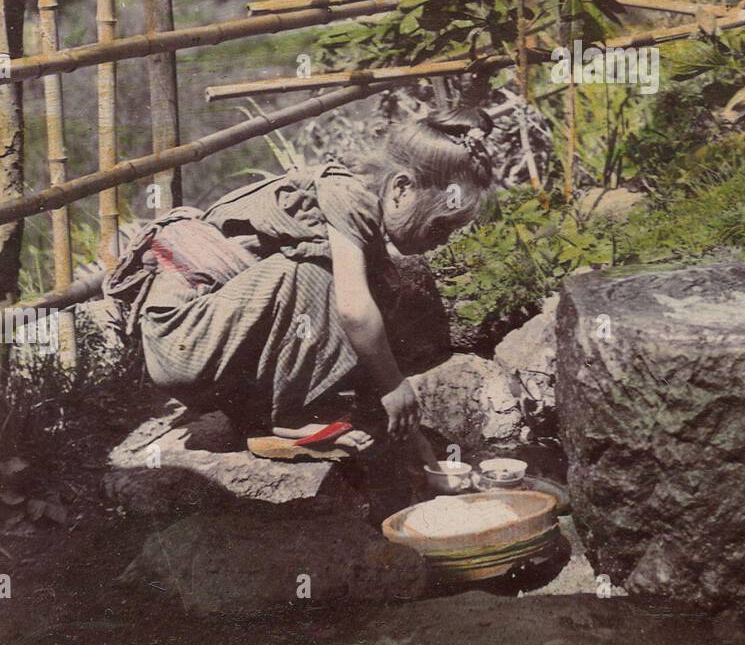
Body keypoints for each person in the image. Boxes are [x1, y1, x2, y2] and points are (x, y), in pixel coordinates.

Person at [104, 107, 493, 459]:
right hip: (183, 338)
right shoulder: (349, 196)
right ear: (401, 188)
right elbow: (355, 313)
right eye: (440, 223)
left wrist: (423, 455)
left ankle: (262, 417)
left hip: (210, 350)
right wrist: (393, 386)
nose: (442, 239)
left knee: (371, 285)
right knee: (320, 273)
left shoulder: (364, 226)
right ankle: (287, 417)